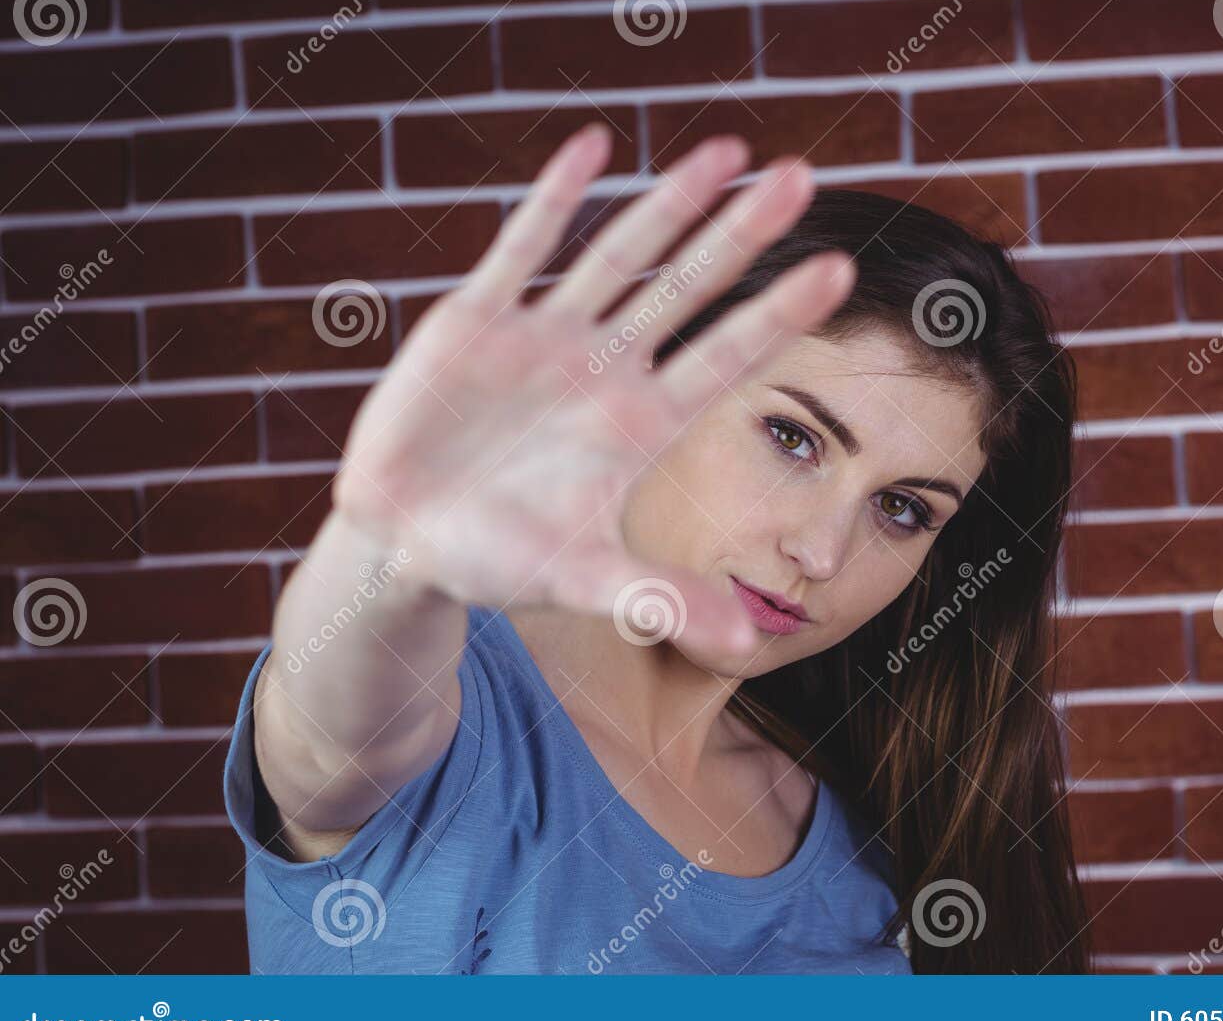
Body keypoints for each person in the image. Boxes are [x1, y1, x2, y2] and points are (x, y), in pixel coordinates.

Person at [222, 122, 1094, 974]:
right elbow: (330, 731)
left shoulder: (866, 835)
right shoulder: (445, 716)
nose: (822, 551)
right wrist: (391, 555)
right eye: (792, 438)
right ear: (652, 395)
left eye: (902, 507)